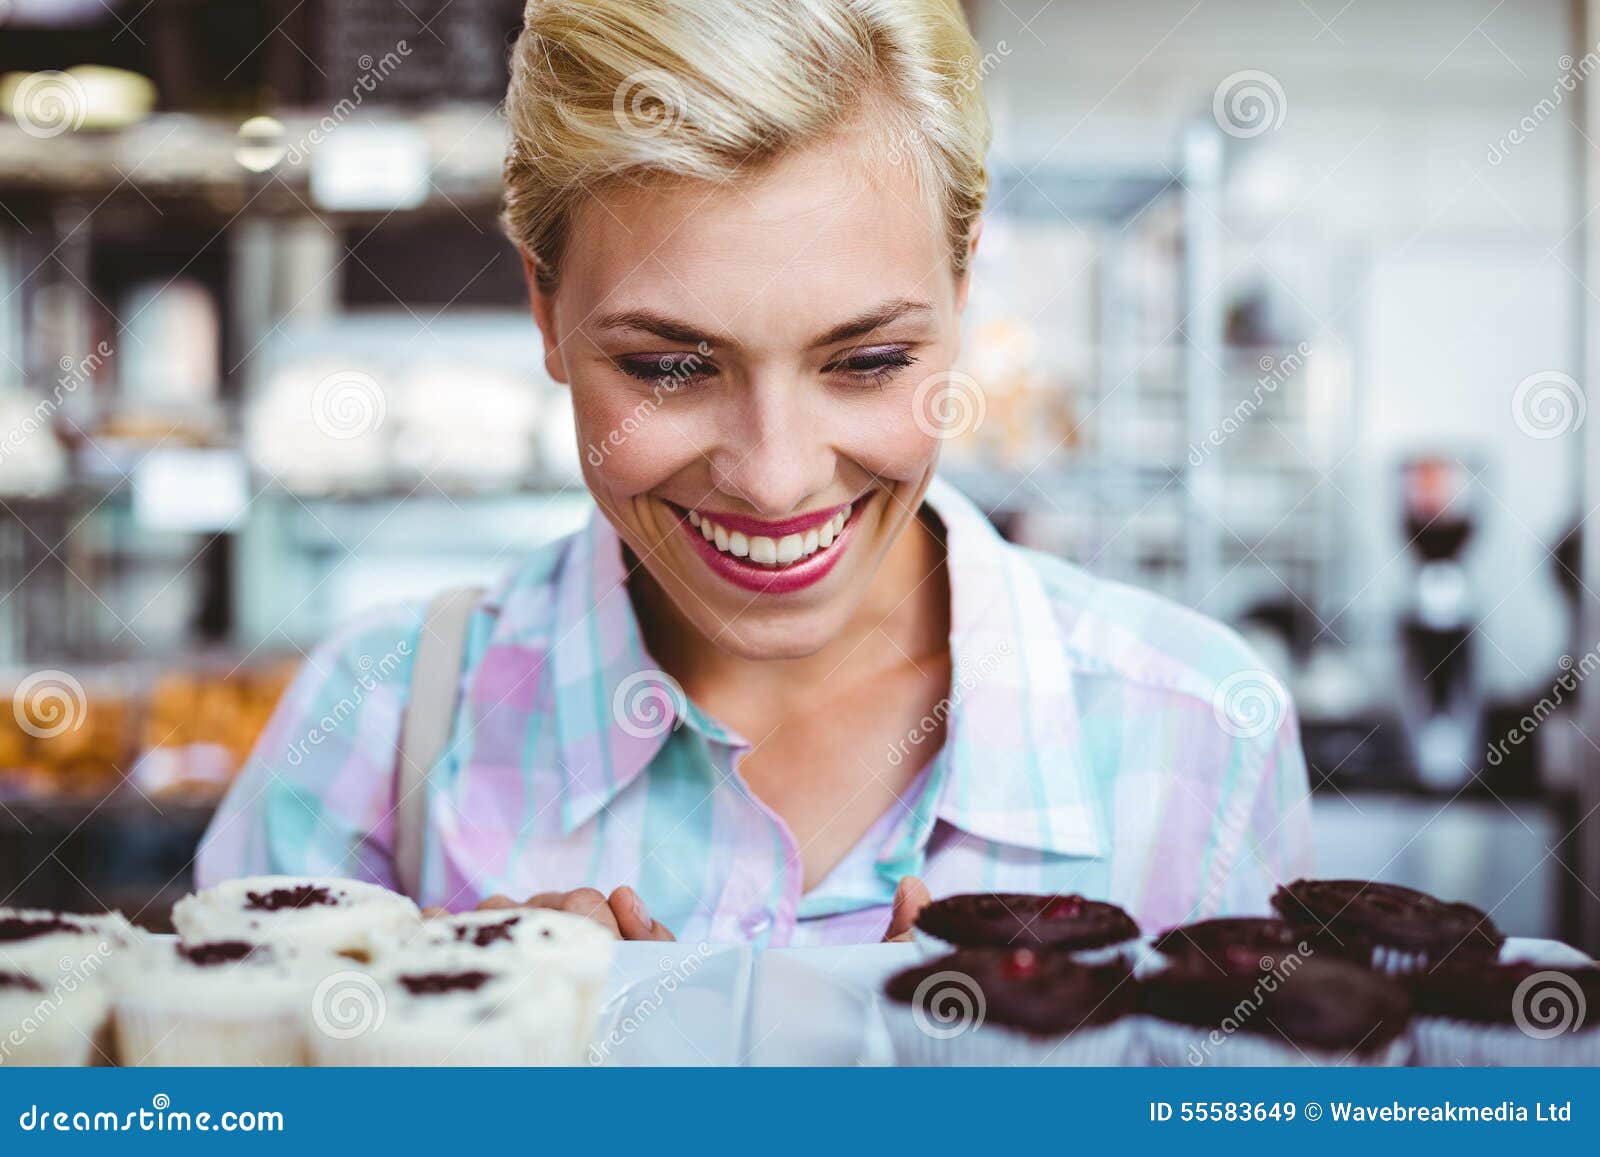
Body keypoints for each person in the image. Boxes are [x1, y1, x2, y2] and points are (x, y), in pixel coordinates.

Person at [197, 0, 1312, 946]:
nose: (775, 481)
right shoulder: (374, 725)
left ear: (964, 288)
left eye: (867, 361)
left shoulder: (1201, 734)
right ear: (544, 305)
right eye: (671, 366)